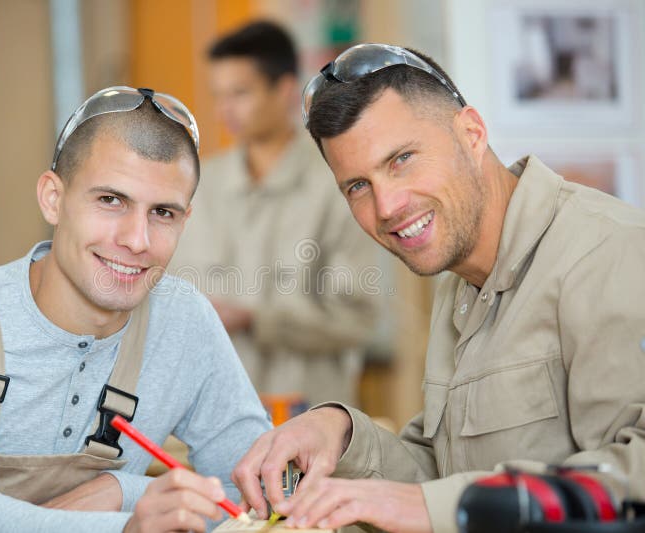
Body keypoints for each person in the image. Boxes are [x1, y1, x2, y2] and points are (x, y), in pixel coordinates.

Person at [231, 44, 645, 533]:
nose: (387, 206)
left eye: (402, 159)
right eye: (357, 186)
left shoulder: (608, 251)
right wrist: (340, 432)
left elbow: (634, 479)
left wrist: (438, 509)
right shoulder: (458, 275)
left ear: (471, 133)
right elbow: (445, 473)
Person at [0, 87, 271, 533]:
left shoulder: (184, 323)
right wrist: (128, 524)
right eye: (111, 200)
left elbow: (259, 492)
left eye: (163, 212)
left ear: (185, 219)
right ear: (53, 198)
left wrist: (119, 489)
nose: (137, 240)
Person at [171, 21, 380, 408]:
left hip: (309, 418)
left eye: (240, 93)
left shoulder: (338, 186)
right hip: (211, 413)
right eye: (219, 95)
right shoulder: (198, 185)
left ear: (284, 89)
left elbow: (358, 319)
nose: (224, 110)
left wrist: (255, 319)